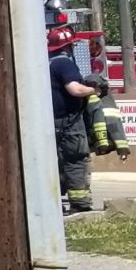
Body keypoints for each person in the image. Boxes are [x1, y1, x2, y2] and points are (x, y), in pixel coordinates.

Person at [48, 29, 96, 213]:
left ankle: (52, 203)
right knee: (76, 159)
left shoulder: (44, 63)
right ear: (67, 46)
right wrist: (95, 90)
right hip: (69, 123)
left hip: (49, 122)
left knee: (53, 162)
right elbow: (75, 90)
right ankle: (80, 204)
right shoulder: (64, 63)